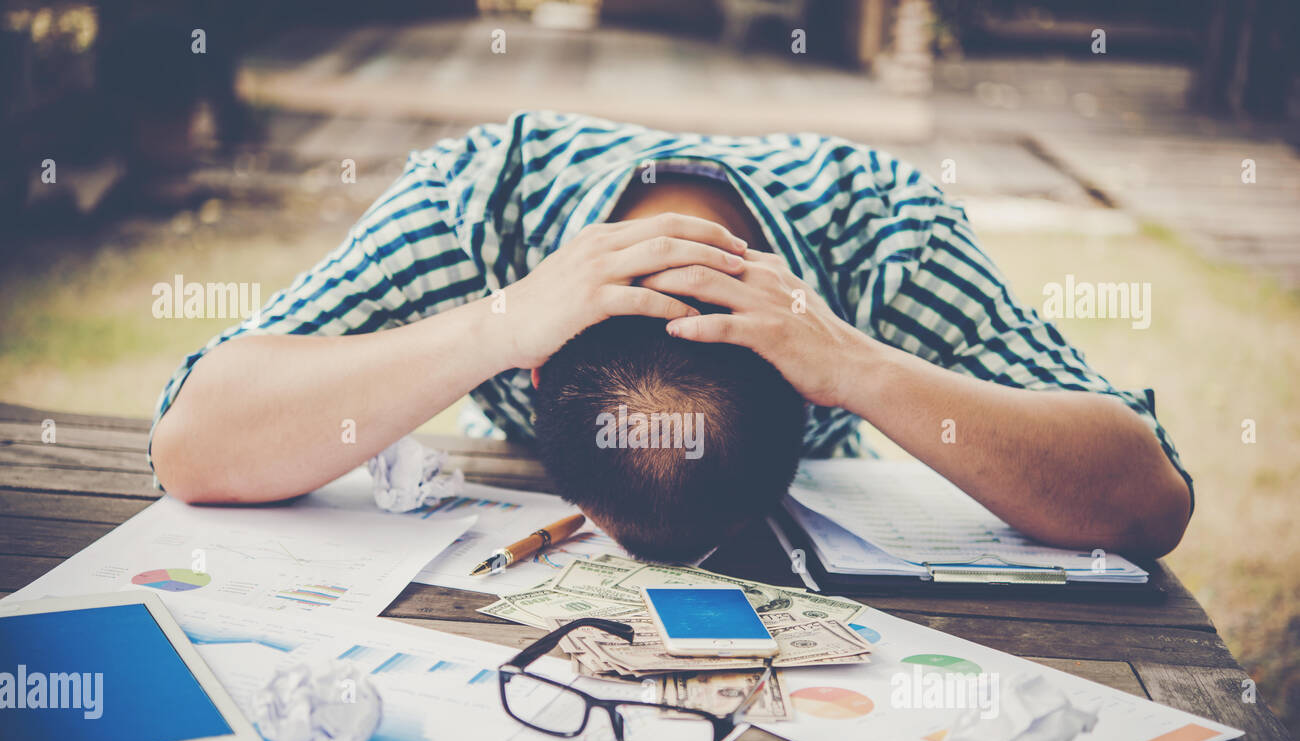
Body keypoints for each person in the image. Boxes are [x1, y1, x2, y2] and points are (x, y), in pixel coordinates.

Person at [150, 111, 1192, 560]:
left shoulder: (885, 230)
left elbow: (1146, 498)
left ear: (808, 399)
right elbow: (194, 441)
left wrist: (863, 365)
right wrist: (500, 317)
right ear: (538, 372)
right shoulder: (479, 201)